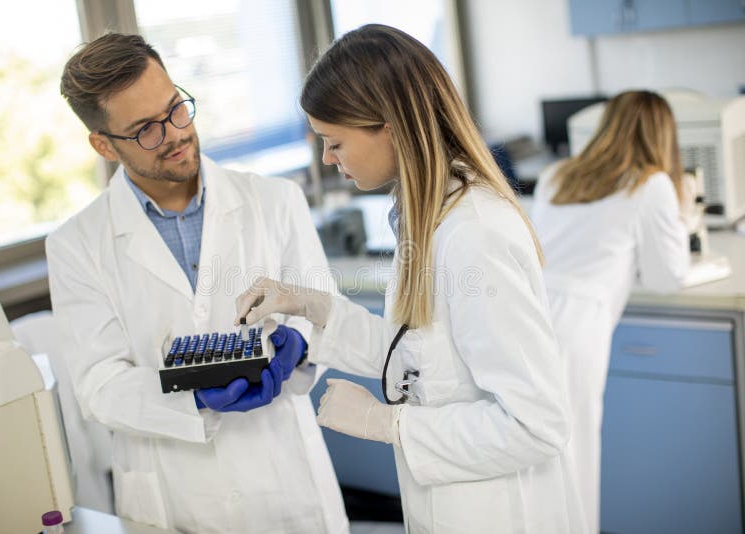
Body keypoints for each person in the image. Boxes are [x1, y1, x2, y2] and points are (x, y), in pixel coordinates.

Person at [236, 24, 585, 533]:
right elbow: (423, 357)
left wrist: (389, 423)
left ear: (391, 127)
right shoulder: (427, 214)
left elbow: (537, 425)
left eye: (334, 142)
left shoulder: (473, 234)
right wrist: (314, 305)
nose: (328, 160)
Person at [47, 33, 348, 533]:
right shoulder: (76, 245)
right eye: (145, 130)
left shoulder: (275, 201)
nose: (174, 133)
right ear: (103, 144)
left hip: (286, 484)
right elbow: (98, 385)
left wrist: (302, 343)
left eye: (176, 109)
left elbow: (324, 317)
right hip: (173, 498)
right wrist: (191, 396)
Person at [530, 90, 690, 533]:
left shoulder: (556, 175)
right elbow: (666, 277)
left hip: (528, 314)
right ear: (663, 136)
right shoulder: (651, 183)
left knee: (536, 453)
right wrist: (683, 213)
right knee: (574, 454)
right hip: (577, 328)